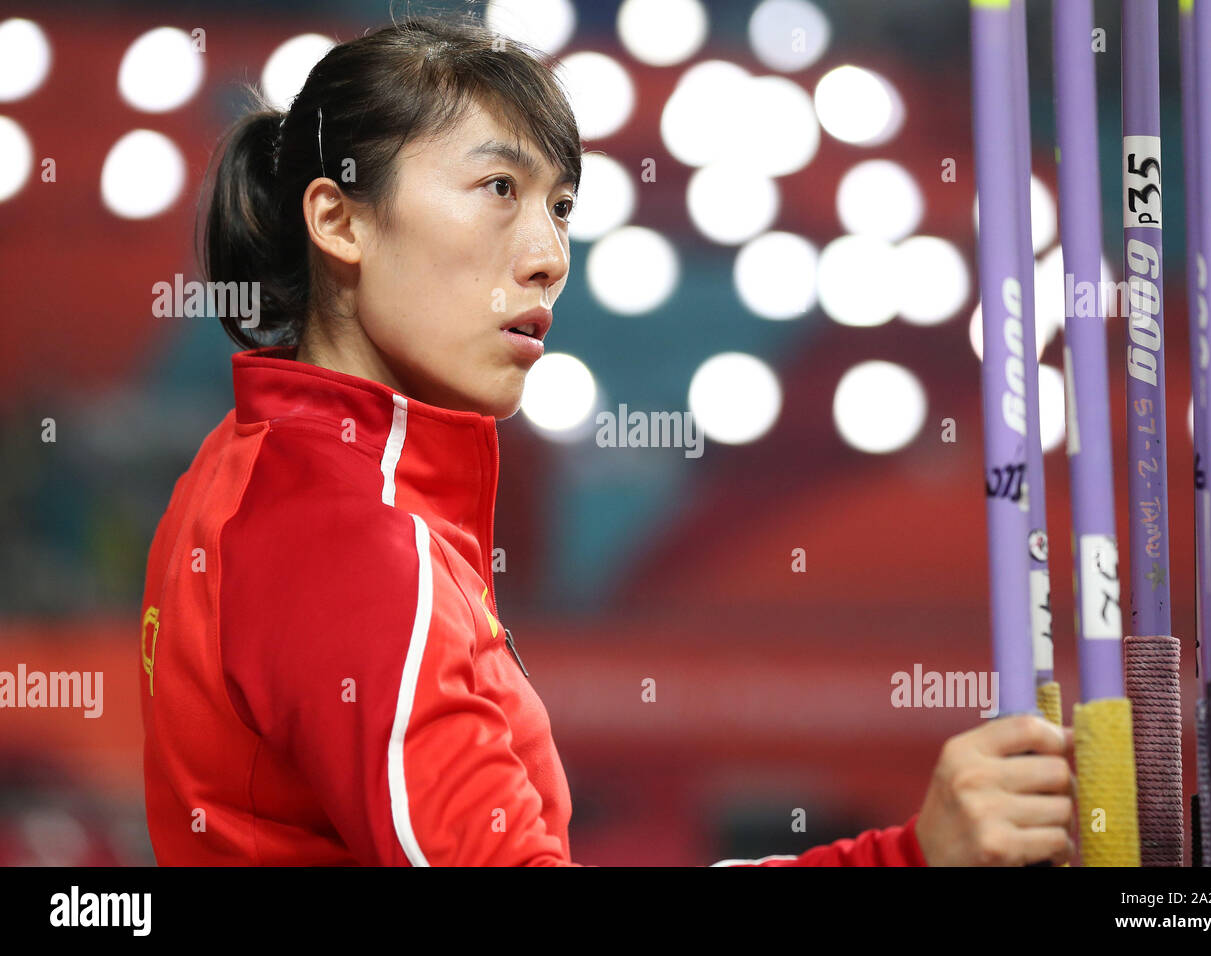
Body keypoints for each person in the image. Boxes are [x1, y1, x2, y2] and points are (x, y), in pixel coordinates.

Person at [139, 12, 1076, 866]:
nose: (549, 257)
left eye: (559, 207)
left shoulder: (244, 466)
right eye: (498, 187)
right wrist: (907, 860)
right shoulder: (358, 536)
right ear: (338, 218)